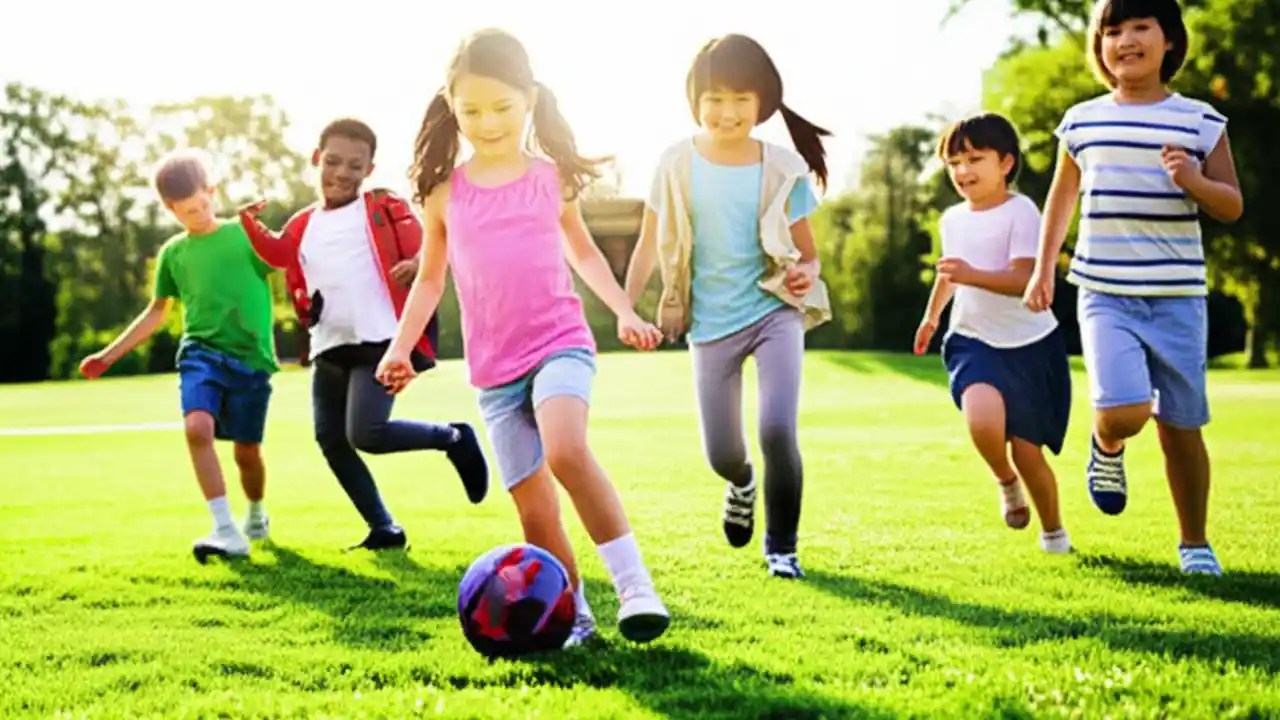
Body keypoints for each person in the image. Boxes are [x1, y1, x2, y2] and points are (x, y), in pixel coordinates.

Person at [375, 29, 670, 646]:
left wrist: (623, 309)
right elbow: (429, 280)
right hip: (493, 372)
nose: (487, 123)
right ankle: (576, 617)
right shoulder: (443, 193)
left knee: (566, 450)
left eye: (502, 108)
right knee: (535, 509)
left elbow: (586, 256)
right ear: (451, 106)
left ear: (530, 99)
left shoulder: (549, 177)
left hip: (560, 342)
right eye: (472, 110)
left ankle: (636, 587)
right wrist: (399, 347)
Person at [1022, 0, 1244, 575]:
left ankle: (1195, 544)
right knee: (1124, 410)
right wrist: (1044, 269)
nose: (1125, 40)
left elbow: (1231, 204)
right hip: (1105, 292)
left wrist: (1192, 180)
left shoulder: (1199, 119)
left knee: (1183, 427)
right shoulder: (1083, 119)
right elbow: (1061, 198)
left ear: (1168, 40)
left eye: (1140, 27)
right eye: (1111, 30)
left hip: (1177, 297)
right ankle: (1107, 441)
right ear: (1099, 47)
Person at [624, 34, 832, 579]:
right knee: (722, 453)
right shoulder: (675, 163)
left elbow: (809, 255)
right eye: (715, 98)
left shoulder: (782, 167)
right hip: (710, 323)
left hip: (773, 311)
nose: (727, 112)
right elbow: (648, 244)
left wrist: (805, 272)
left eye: (742, 99)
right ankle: (742, 484)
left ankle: (782, 548)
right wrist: (628, 308)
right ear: (696, 100)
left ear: (762, 102)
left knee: (777, 429)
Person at [239, 118, 489, 551]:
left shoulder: (381, 206)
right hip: (329, 344)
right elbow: (278, 252)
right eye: (333, 162)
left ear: (369, 170)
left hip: (379, 340)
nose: (341, 173)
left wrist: (414, 264)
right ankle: (384, 528)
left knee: (367, 432)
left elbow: (428, 245)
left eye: (355, 166)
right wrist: (248, 223)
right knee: (331, 440)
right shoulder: (304, 224)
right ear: (317, 159)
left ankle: (453, 437)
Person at [81, 150, 277, 563]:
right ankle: (226, 530)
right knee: (196, 429)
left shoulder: (245, 236)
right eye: (187, 212)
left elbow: (290, 263)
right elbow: (157, 311)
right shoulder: (173, 254)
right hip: (201, 354)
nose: (199, 215)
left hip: (251, 361)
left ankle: (256, 513)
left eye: (204, 205)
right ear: (171, 210)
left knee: (246, 452)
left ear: (212, 191)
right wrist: (109, 354)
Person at [915, 112, 1072, 555]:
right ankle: (1005, 481)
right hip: (973, 339)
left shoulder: (1021, 211)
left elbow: (1024, 279)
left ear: (1005, 163)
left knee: (1028, 451)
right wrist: (932, 318)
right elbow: (950, 275)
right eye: (954, 163)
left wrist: (970, 274)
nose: (962, 171)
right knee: (981, 419)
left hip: (1030, 346)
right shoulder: (951, 219)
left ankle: (1054, 532)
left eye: (974, 159)